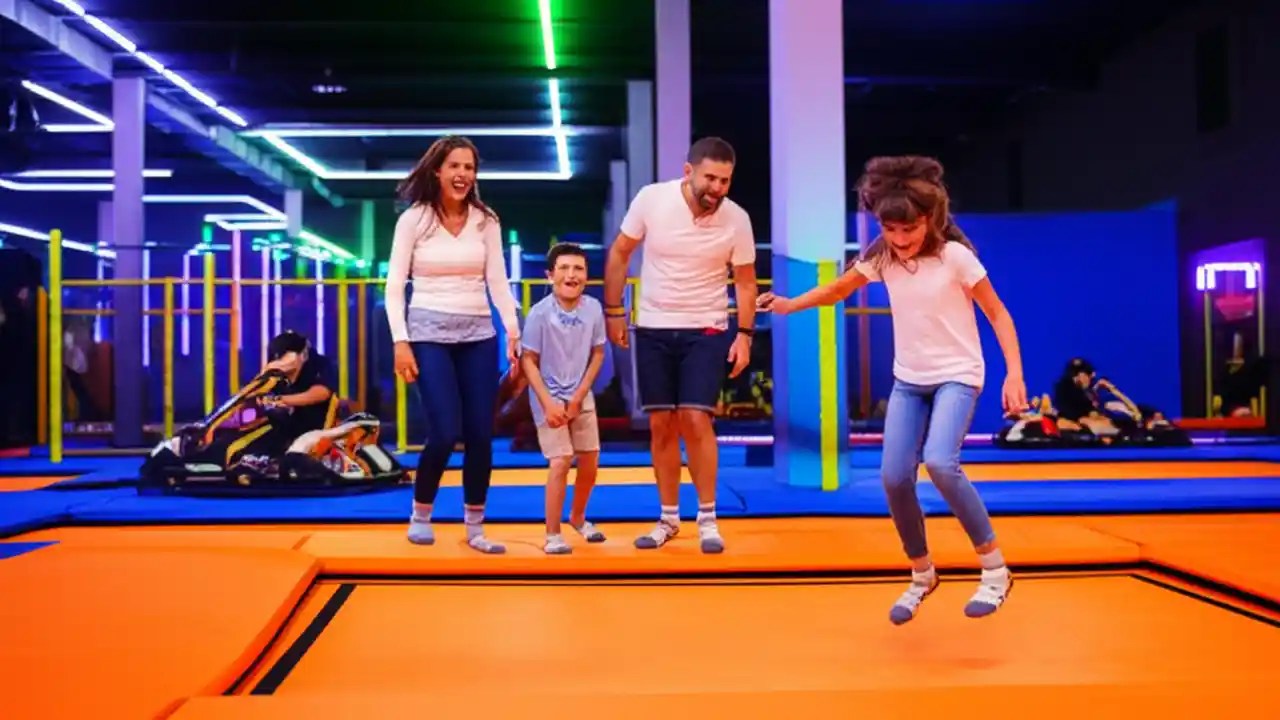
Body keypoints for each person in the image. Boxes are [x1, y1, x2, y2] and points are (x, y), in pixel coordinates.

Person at [758, 155, 1027, 624]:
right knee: (893, 477)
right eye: (892, 230)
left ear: (929, 219)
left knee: (941, 462)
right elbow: (835, 291)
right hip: (909, 380)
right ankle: (922, 573)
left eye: (910, 230)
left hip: (958, 375)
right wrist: (787, 304)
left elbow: (999, 314)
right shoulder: (881, 254)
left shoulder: (955, 258)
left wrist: (1015, 374)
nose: (901, 241)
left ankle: (995, 569)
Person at [603, 136, 758, 554]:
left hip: (706, 327)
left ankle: (707, 518)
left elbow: (745, 282)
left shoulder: (736, 219)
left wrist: (744, 336)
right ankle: (668, 518)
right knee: (660, 424)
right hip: (653, 326)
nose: (717, 188)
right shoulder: (652, 199)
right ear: (688, 171)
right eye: (710, 177)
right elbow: (620, 253)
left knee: (695, 418)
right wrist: (613, 311)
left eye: (725, 180)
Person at [385, 135, 521, 554]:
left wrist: (513, 330)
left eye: (469, 168)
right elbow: (394, 286)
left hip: (479, 334)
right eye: (455, 166)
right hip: (427, 335)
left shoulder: (486, 220)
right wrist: (400, 341)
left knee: (480, 434)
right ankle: (421, 515)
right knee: (445, 432)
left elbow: (497, 278)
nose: (463, 174)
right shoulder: (415, 219)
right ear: (437, 171)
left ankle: (475, 527)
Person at [520, 243, 609, 554]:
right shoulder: (539, 314)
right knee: (560, 461)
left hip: (580, 394)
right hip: (548, 396)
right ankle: (553, 534)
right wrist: (548, 403)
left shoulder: (594, 309)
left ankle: (579, 517)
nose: (572, 275)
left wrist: (580, 395)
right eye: (564, 268)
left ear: (586, 276)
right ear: (550, 275)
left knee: (591, 459)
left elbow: (598, 353)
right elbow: (527, 360)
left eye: (579, 269)